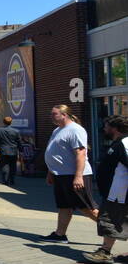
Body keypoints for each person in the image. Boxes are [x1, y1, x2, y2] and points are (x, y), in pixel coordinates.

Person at [42, 104, 98, 242]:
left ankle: (114, 229)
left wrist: (78, 177)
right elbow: (57, 153)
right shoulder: (57, 130)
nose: (51, 116)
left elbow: (80, 154)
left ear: (64, 115)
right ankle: (60, 234)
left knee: (86, 207)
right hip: (61, 175)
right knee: (64, 206)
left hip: (75, 175)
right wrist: (50, 172)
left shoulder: (75, 130)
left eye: (54, 114)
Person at [83, 116, 128, 263]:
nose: (104, 129)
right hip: (115, 192)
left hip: (118, 193)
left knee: (109, 220)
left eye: (106, 126)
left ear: (114, 128)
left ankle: (105, 252)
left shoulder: (124, 143)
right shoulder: (118, 143)